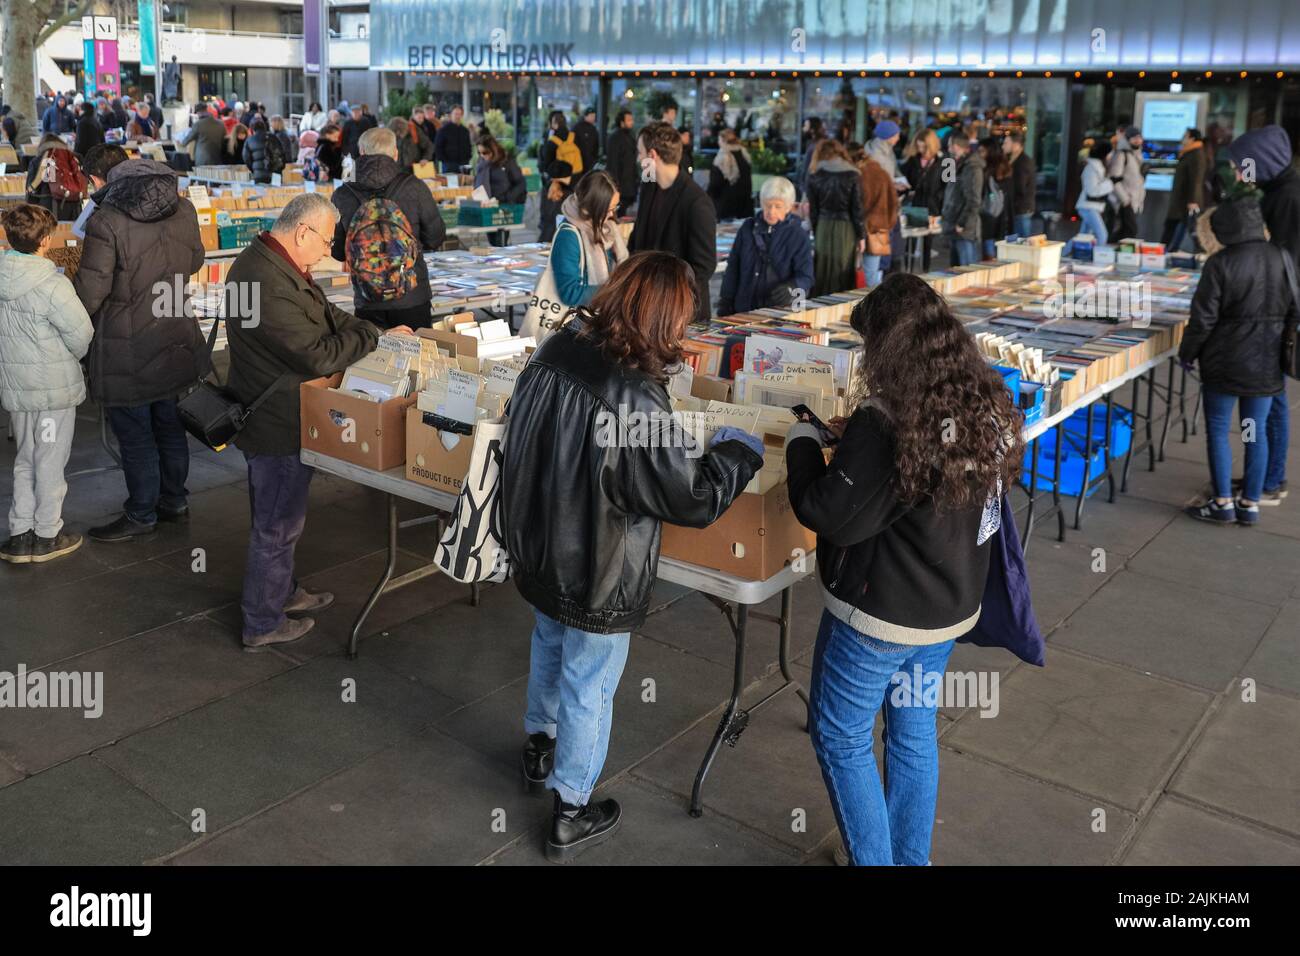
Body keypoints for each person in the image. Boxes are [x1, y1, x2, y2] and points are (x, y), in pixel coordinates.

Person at [503, 251, 764, 862]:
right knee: (590, 679)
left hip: (540, 542)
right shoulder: (633, 396)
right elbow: (689, 493)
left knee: (548, 640)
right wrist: (738, 453)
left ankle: (537, 747)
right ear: (663, 319)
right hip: (598, 562)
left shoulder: (558, 346)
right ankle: (571, 808)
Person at [785, 272, 1024, 866]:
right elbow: (913, 487)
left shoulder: (888, 419)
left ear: (887, 348)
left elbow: (827, 512)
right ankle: (908, 857)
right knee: (913, 735)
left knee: (841, 736)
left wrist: (801, 442)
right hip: (948, 609)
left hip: (882, 616)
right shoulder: (982, 397)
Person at [225, 194, 389, 649]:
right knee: (277, 523)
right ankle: (261, 620)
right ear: (302, 232)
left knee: (278, 514)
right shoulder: (263, 279)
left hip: (281, 410)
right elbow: (319, 355)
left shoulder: (272, 262)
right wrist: (367, 338)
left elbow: (326, 316)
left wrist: (367, 330)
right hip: (278, 418)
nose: (329, 251)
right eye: (326, 241)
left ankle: (281, 591)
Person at [74, 155, 206, 542]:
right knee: (170, 424)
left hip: (125, 343)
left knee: (135, 435)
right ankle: (174, 500)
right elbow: (196, 260)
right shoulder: (184, 210)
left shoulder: (107, 220)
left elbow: (91, 291)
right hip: (175, 331)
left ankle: (141, 512)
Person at [1180, 197, 1296, 526]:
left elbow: (1202, 320)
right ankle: (1250, 503)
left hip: (1223, 364)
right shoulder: (1282, 258)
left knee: (1217, 431)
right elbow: (1294, 311)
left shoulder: (1220, 263)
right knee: (1252, 433)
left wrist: (1187, 355)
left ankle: (1222, 503)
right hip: (1266, 365)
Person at [0, 204, 95, 564]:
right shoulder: (53, 284)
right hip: (53, 393)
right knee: (50, 460)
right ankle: (46, 533)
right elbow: (81, 334)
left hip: (17, 389)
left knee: (25, 458)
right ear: (44, 240)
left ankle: (19, 532)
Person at [1227, 125, 1300, 505]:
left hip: (1276, 312)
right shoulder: (1279, 191)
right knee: (1270, 399)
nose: (1239, 175)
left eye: (1243, 167)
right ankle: (1264, 478)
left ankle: (1270, 482)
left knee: (1271, 400)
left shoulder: (1287, 198)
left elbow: (1284, 261)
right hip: (1275, 309)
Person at [330, 126, 446, 330]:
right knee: (418, 358)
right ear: (395, 153)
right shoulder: (415, 187)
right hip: (411, 296)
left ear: (362, 153)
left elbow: (338, 251)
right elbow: (435, 238)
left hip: (367, 297)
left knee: (372, 359)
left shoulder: (343, 194)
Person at [628, 121, 718, 325]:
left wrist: (661, 293)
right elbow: (638, 242)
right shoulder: (649, 185)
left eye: (640, 152)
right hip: (646, 309)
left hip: (679, 314)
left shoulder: (696, 202)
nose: (638, 158)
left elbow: (703, 267)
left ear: (652, 155)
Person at [717, 175, 813, 316]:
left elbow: (806, 277)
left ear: (787, 207)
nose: (771, 211)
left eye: (778, 206)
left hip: (778, 312)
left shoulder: (798, 236)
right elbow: (733, 268)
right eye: (768, 205)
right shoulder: (747, 228)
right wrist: (725, 302)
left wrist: (791, 288)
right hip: (744, 310)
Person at [547, 170, 629, 311]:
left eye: (615, 207)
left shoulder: (606, 228)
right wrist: (614, 290)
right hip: (579, 321)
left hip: (601, 314)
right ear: (592, 207)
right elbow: (569, 293)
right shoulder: (568, 236)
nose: (611, 214)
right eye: (608, 209)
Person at [806, 138, 865, 296]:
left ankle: (819, 302)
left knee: (822, 268)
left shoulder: (815, 175)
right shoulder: (853, 175)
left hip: (823, 225)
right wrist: (861, 236)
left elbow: (814, 210)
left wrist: (815, 228)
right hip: (846, 228)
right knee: (844, 267)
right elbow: (857, 209)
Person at [474, 133, 527, 246]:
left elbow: (521, 183)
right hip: (488, 207)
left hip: (505, 207)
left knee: (500, 242)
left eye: (485, 152)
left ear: (493, 150)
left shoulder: (507, 162)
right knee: (492, 242)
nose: (482, 155)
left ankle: (504, 261)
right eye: (479, 153)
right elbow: (478, 182)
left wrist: (507, 197)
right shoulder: (482, 163)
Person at [858, 146, 900, 287]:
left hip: (861, 227)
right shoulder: (882, 173)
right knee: (873, 275)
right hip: (879, 229)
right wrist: (887, 224)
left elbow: (859, 205)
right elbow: (894, 202)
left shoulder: (858, 175)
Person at [941, 132, 984, 266]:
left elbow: (974, 200)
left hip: (964, 228)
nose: (948, 150)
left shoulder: (972, 168)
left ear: (959, 147)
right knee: (956, 267)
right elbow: (947, 186)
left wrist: (962, 223)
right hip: (953, 222)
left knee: (967, 268)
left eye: (951, 146)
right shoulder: (955, 163)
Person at [1164, 128, 1207, 252]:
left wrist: (1193, 199)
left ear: (1192, 138)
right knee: (1178, 227)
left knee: (1184, 227)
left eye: (1185, 136)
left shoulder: (1196, 154)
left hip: (1186, 201)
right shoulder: (1188, 153)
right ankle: (1168, 251)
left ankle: (1169, 251)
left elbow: (1196, 179)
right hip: (1181, 200)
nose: (1182, 139)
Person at [25, 134, 84, 221]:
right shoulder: (75, 158)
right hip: (75, 206)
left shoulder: (39, 160)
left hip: (50, 207)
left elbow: (32, 189)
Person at [1107, 125, 1145, 241]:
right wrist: (1125, 199)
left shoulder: (1138, 156)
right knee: (1130, 230)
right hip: (1124, 201)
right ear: (1127, 139)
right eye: (1134, 137)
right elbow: (1114, 179)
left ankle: (1120, 255)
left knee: (1125, 232)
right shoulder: (1121, 155)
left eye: (1139, 137)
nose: (1137, 140)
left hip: (1134, 200)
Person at [707, 128, 754, 220]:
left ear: (724, 141)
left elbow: (715, 184)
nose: (718, 142)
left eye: (719, 139)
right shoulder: (744, 154)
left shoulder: (722, 157)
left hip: (725, 206)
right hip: (744, 205)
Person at [979, 136, 1012, 259]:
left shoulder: (988, 170)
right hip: (1000, 215)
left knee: (988, 247)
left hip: (989, 214)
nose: (979, 154)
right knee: (993, 247)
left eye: (982, 151)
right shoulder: (1004, 167)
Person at [1076, 139, 1113, 247]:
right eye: (1110, 153)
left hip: (1092, 206)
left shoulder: (1098, 168)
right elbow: (1092, 191)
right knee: (1102, 235)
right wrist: (1110, 183)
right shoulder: (1091, 168)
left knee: (1083, 236)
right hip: (1088, 207)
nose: (1111, 156)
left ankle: (1064, 254)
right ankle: (1096, 258)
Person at [1003, 131, 1038, 237]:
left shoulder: (1022, 162)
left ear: (1016, 144)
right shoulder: (1013, 159)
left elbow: (1020, 187)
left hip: (1021, 208)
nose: (1003, 146)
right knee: (1018, 241)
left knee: (1022, 242)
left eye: (1006, 143)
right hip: (1018, 208)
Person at [606, 107, 639, 217]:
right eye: (629, 120)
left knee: (623, 212)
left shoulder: (631, 136)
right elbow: (612, 164)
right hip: (620, 185)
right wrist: (615, 186)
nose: (632, 122)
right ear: (622, 122)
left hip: (629, 184)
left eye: (632, 120)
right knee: (617, 213)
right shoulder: (615, 138)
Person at [540, 110, 583, 183]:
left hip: (559, 179)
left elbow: (546, 162)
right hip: (575, 176)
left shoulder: (552, 141)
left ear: (555, 124)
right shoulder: (574, 137)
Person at [538, 159, 574, 244]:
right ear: (567, 177)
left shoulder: (546, 190)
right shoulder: (569, 194)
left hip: (545, 236)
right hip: (562, 239)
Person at [242, 118, 285, 185]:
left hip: (258, 174)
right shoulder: (274, 137)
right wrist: (281, 168)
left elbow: (246, 158)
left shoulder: (249, 140)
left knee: (261, 194)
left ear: (253, 129)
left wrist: (254, 168)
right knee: (276, 194)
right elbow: (282, 154)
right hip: (275, 173)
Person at [433, 104, 472, 173]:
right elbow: (438, 148)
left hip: (464, 164)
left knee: (465, 184)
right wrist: (445, 161)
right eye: (456, 114)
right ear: (451, 115)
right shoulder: (443, 130)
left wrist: (468, 158)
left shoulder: (465, 131)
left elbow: (468, 146)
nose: (458, 116)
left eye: (460, 114)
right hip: (448, 165)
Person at [572, 106, 600, 178]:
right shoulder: (577, 128)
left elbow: (596, 146)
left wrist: (594, 159)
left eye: (594, 116)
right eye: (591, 116)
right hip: (578, 161)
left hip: (590, 162)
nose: (593, 118)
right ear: (585, 116)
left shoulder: (593, 129)